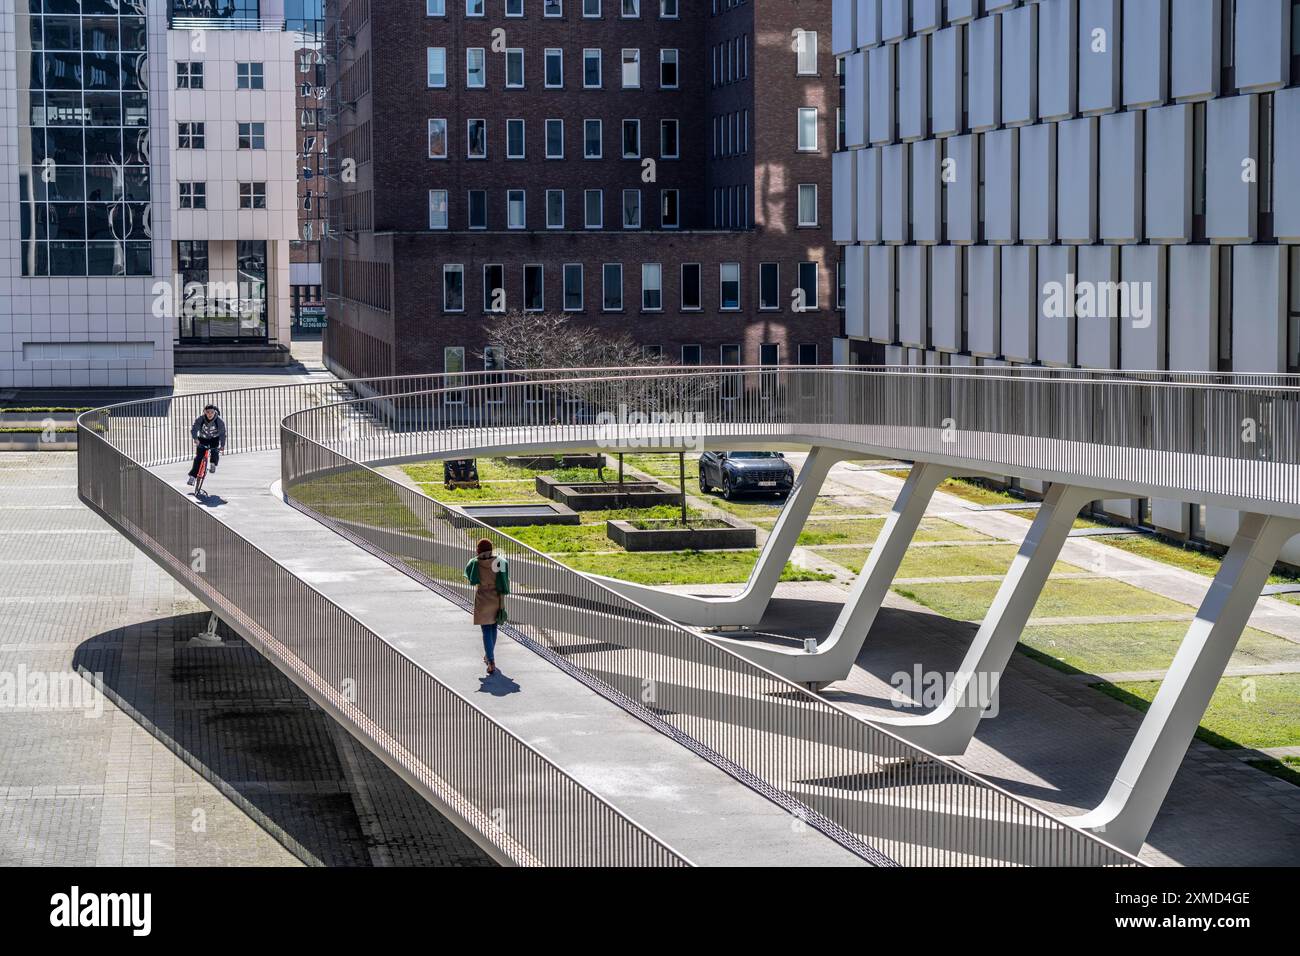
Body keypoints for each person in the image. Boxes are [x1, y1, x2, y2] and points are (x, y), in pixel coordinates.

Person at [464, 538, 510, 675]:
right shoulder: (499, 562)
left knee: (485, 630)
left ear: (478, 550)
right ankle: (489, 656)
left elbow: (470, 576)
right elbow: (505, 580)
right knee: (493, 627)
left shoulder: (475, 563)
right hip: (496, 597)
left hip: (482, 598)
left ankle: (491, 660)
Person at [187, 404, 226, 486]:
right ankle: (192, 477)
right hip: (203, 439)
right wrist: (195, 439)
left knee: (215, 450)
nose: (210, 414)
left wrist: (222, 445)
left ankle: (213, 463)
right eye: (208, 412)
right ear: (204, 412)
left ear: (214, 412)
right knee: (198, 458)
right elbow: (194, 429)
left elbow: (222, 434)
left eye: (212, 412)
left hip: (214, 439)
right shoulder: (200, 419)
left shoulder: (219, 421)